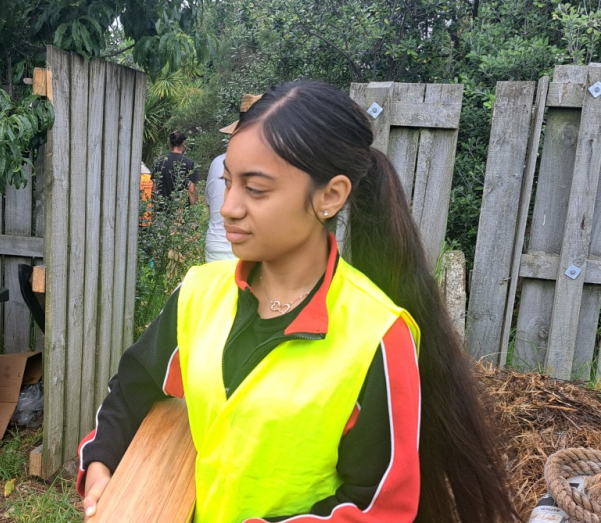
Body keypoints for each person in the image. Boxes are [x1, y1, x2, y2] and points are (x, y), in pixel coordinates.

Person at [76, 81, 514, 523]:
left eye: (257, 189)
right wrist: (102, 463)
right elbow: (133, 385)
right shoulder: (197, 293)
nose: (229, 206)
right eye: (229, 182)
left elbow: (378, 506)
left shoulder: (378, 335)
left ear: (330, 196)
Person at [205, 95, 261, 262]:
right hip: (246, 249)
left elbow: (210, 203)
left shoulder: (217, 162)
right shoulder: (264, 166)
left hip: (215, 247)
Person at [151, 130, 198, 207]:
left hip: (162, 210)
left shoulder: (160, 161)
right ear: (184, 143)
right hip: (181, 211)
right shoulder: (189, 163)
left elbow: (154, 188)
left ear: (170, 143)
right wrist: (194, 212)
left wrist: (155, 207)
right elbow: (192, 190)